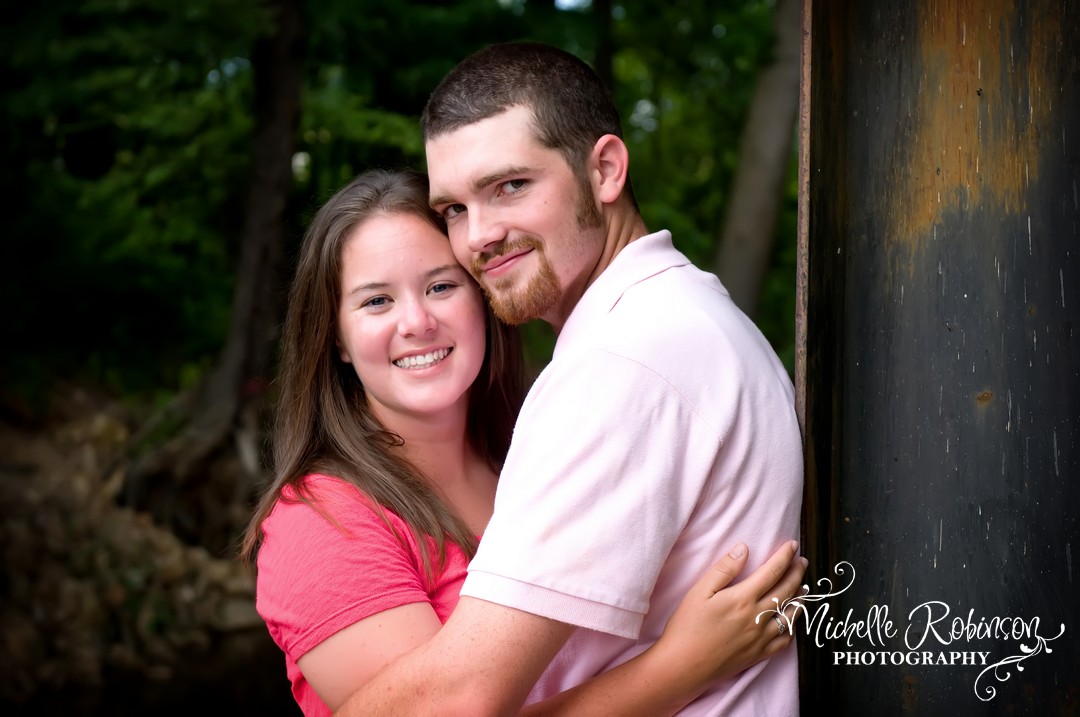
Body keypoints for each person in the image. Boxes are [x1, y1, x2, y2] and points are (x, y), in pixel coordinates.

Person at [335, 42, 805, 716]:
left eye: (510, 187)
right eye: (454, 209)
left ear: (606, 169)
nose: (478, 237)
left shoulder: (621, 365)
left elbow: (459, 698)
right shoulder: (681, 314)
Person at [241, 168, 807, 717]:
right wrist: (678, 669)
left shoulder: (539, 454)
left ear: (482, 299)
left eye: (441, 287)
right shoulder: (321, 520)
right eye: (376, 301)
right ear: (335, 337)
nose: (416, 322)